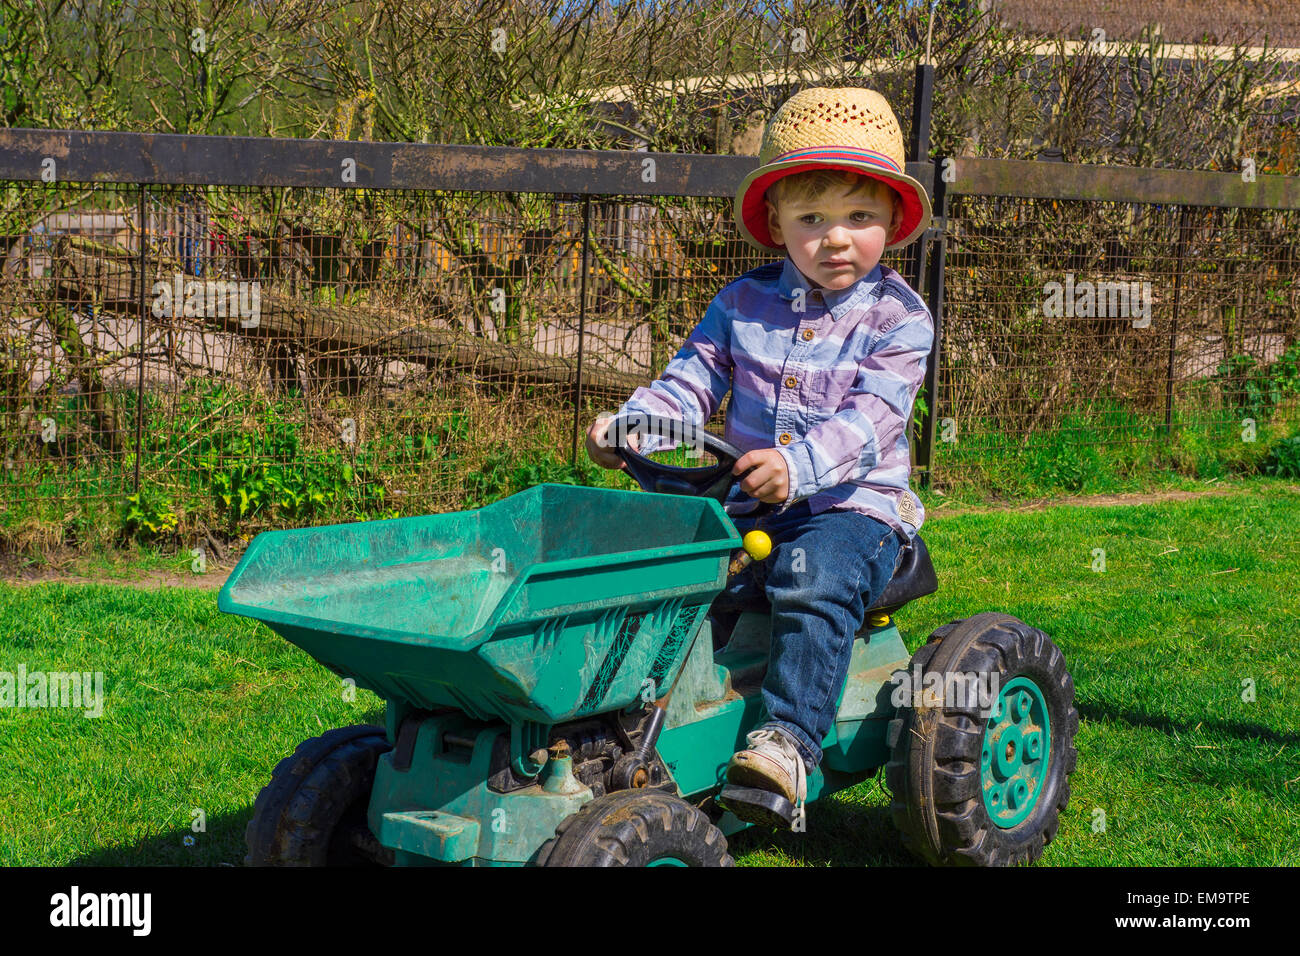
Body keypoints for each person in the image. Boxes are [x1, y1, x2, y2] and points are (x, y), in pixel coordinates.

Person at [584, 86, 934, 829]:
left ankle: (786, 747)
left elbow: (871, 421)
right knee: (671, 573)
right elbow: (692, 380)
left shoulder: (899, 318)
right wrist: (633, 428)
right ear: (776, 223)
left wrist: (798, 467)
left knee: (815, 578)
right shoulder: (741, 303)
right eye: (812, 218)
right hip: (748, 503)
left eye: (859, 218)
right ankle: (629, 733)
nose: (836, 238)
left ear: (894, 223)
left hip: (852, 511)